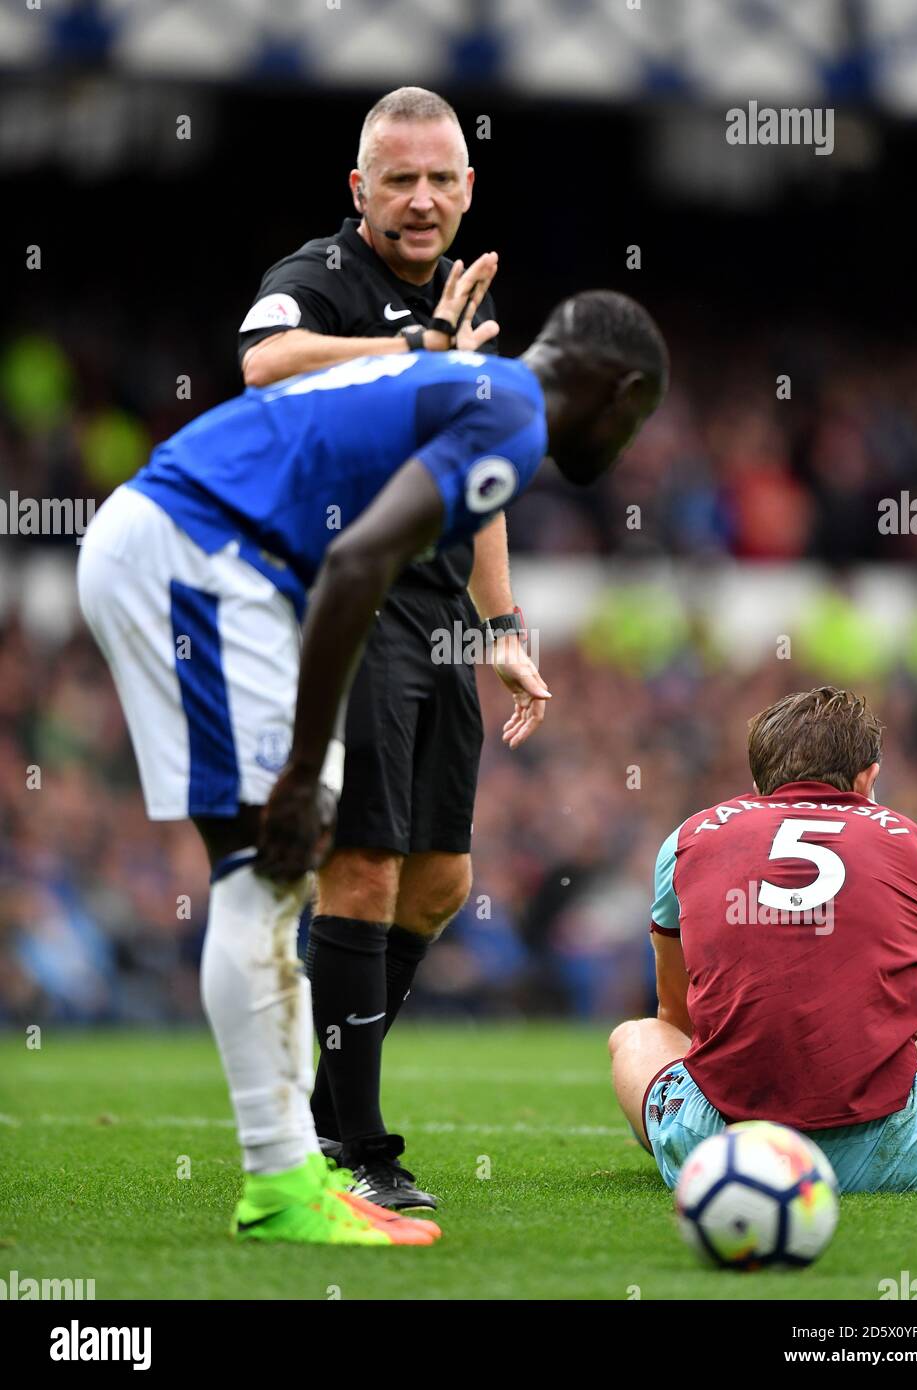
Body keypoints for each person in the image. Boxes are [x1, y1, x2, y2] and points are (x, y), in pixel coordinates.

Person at [78, 288, 669, 1245]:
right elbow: (357, 565)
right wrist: (308, 768)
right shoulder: (511, 419)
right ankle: (287, 1179)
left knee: (261, 875)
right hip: (201, 555)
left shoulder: (468, 383)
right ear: (622, 389)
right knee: (266, 876)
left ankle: (293, 1167)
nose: (628, 440)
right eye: (637, 419)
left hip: (168, 541)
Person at [238, 86, 538, 1211]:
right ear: (359, 189)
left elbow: (485, 479)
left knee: (441, 880)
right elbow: (263, 365)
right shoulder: (320, 280)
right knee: (360, 864)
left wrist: (503, 628)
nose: (420, 198)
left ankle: (322, 1110)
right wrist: (415, 349)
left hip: (433, 613)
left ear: (469, 188)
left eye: (440, 178)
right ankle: (357, 1146)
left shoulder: (472, 308)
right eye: (397, 179)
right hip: (335, 598)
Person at [610, 686, 917, 1193]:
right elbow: (911, 1023)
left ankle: (691, 1150)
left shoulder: (689, 838)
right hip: (890, 1157)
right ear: (870, 775)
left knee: (637, 1036)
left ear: (757, 778)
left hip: (722, 1154)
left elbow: (676, 1015)